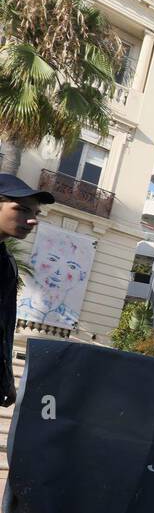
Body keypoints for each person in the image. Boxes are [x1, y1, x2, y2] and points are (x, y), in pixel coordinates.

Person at [0, 175, 55, 408]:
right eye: (22, 210)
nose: (32, 220)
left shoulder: (7, 262)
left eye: (35, 214)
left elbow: (5, 325)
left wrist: (7, 378)